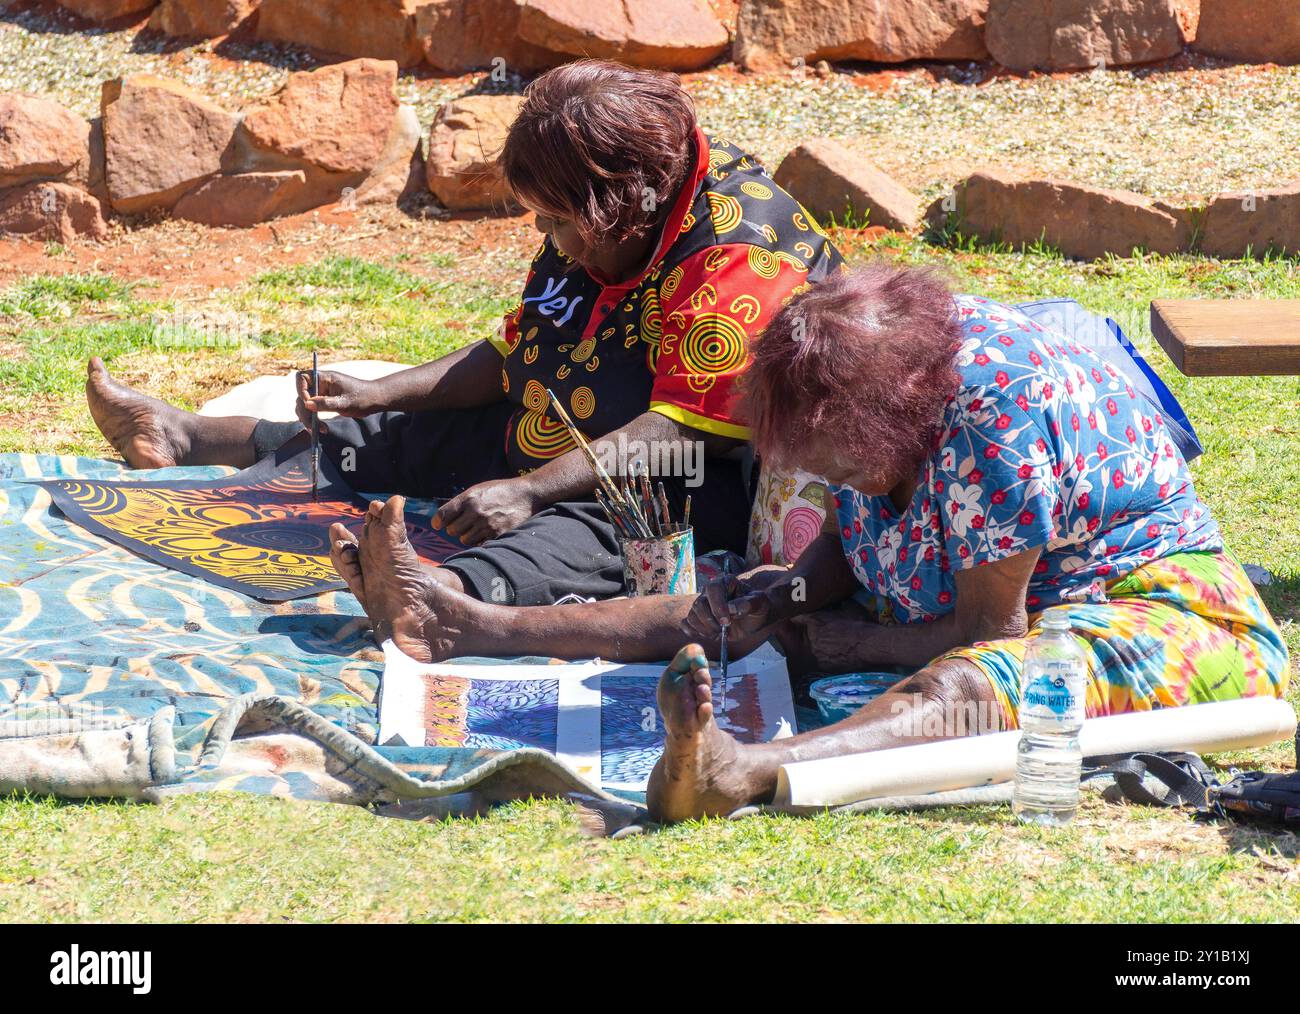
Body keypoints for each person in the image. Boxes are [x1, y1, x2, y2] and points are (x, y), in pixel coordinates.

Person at [335, 264, 1290, 821]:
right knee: (736, 606)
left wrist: (850, 641)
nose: (820, 471)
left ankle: (746, 771)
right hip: (958, 591)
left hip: (1154, 612)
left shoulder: (998, 416)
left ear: (885, 423)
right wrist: (791, 591)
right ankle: (466, 625)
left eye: (831, 457)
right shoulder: (876, 383)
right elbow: (854, 529)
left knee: (978, 686)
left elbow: (987, 633)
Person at [84, 59, 841, 609]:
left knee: (602, 523)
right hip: (571, 433)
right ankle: (185, 435)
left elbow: (682, 429)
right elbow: (520, 350)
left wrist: (531, 491)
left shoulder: (739, 254)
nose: (547, 237)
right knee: (412, 432)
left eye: (555, 222)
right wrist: (380, 390)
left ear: (620, 210)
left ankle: (439, 594)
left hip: (697, 473)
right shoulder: (614, 207)